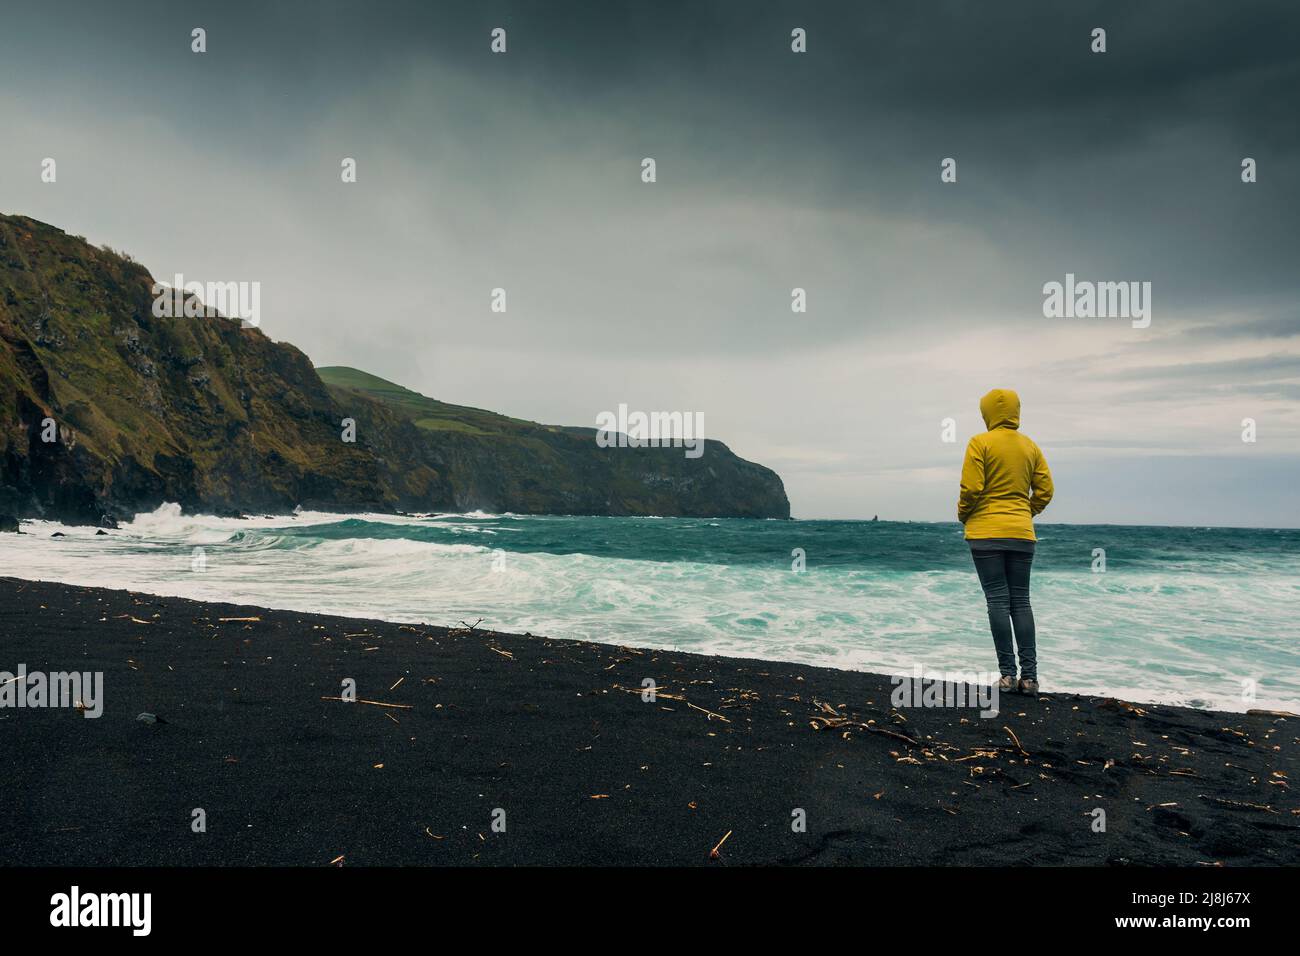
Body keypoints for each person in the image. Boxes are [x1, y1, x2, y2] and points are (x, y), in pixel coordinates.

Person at [957, 388, 1053, 694]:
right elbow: (1046, 490)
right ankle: (1031, 678)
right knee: (1021, 601)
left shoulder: (979, 443)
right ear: (1016, 411)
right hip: (1022, 533)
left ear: (986, 413)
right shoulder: (1030, 447)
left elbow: (972, 488)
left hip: (985, 533)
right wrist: (1025, 512)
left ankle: (1008, 676)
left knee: (998, 600)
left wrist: (964, 515)